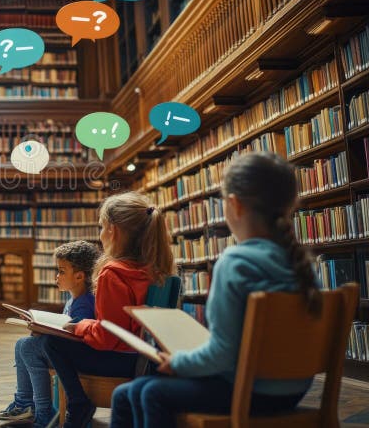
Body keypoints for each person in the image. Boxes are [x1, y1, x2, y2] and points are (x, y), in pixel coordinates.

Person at [109, 152, 320, 428]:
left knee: (148, 392)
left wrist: (179, 362)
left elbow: (222, 355)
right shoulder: (301, 263)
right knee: (132, 392)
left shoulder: (235, 263)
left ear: (234, 205)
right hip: (294, 389)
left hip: (251, 390)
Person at [42, 192, 175, 428]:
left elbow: (106, 338)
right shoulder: (155, 267)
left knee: (52, 342)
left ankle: (78, 403)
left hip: (123, 361)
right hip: (147, 359)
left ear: (113, 230)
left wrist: (81, 326)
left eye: (101, 227)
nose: (100, 234)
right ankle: (77, 404)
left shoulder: (112, 272)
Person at [0, 240, 100, 427]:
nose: (56, 276)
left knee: (27, 347)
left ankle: (42, 411)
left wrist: (44, 329)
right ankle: (25, 403)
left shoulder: (84, 303)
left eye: (61, 271)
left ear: (79, 277)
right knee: (22, 344)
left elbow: (76, 337)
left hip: (73, 356)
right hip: (64, 351)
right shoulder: (74, 299)